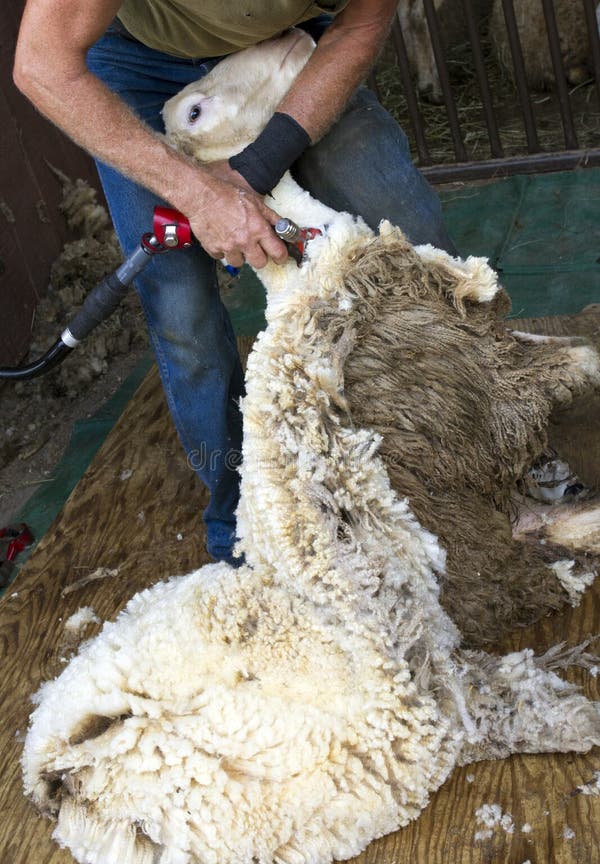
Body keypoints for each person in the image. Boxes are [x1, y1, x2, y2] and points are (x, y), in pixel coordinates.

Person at [14, 0, 456, 564]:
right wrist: (199, 195)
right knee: (181, 309)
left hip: (280, 46)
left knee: (414, 233)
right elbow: (42, 64)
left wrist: (253, 169)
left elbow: (361, 24)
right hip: (140, 63)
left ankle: (483, 450)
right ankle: (248, 518)